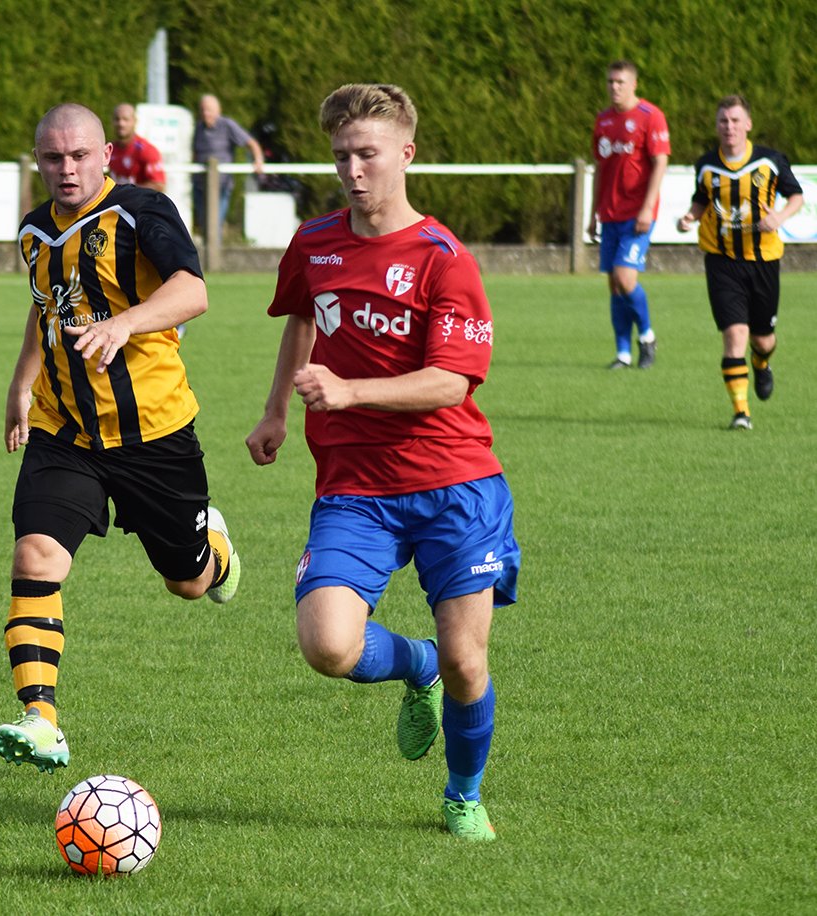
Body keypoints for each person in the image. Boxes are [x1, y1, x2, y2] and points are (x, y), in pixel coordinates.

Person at [245, 84, 520, 841]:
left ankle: (462, 793)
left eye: (367, 153)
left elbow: (452, 381)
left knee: (472, 664)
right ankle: (414, 666)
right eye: (340, 156)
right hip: (353, 488)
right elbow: (303, 315)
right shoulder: (315, 242)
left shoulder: (443, 260)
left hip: (453, 484)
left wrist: (349, 389)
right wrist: (275, 410)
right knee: (327, 645)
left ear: (406, 152)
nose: (352, 170)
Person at [0, 102, 241, 774]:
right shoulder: (35, 230)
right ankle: (40, 720)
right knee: (36, 554)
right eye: (52, 158)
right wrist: (23, 382)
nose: (65, 169)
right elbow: (46, 307)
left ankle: (215, 551)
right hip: (64, 430)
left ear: (105, 154)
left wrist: (126, 324)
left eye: (78, 156)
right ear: (38, 160)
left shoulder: (141, 212)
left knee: (187, 583)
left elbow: (193, 291)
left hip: (155, 433)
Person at [676, 94, 803, 430]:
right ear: (716, 125)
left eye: (734, 120)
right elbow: (702, 198)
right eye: (722, 121)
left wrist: (779, 216)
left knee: (762, 340)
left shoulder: (770, 161)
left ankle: (762, 364)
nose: (728, 127)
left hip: (763, 261)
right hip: (722, 262)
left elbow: (797, 196)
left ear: (748, 124)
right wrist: (689, 217)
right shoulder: (706, 164)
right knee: (734, 334)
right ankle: (741, 413)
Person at [588, 59, 671, 369]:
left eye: (620, 82)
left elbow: (660, 163)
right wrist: (593, 212)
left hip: (637, 215)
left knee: (625, 277)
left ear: (634, 84)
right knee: (614, 284)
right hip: (608, 214)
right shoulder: (603, 120)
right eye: (610, 82)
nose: (614, 87)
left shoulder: (651, 116)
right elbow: (600, 167)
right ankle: (623, 353)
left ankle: (647, 336)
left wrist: (648, 208)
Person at [192, 94, 264, 236]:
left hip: (221, 186)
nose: (206, 114)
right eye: (203, 110)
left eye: (209, 110)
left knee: (215, 225)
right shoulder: (198, 127)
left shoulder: (227, 125)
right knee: (204, 226)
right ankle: (207, 257)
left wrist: (258, 159)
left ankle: (215, 257)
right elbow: (195, 152)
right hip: (200, 186)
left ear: (218, 111)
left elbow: (251, 143)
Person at [109, 102, 167, 193]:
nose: (121, 124)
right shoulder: (110, 150)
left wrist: (127, 191)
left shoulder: (147, 150)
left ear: (134, 121)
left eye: (125, 119)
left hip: (141, 204)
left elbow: (159, 185)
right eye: (117, 119)